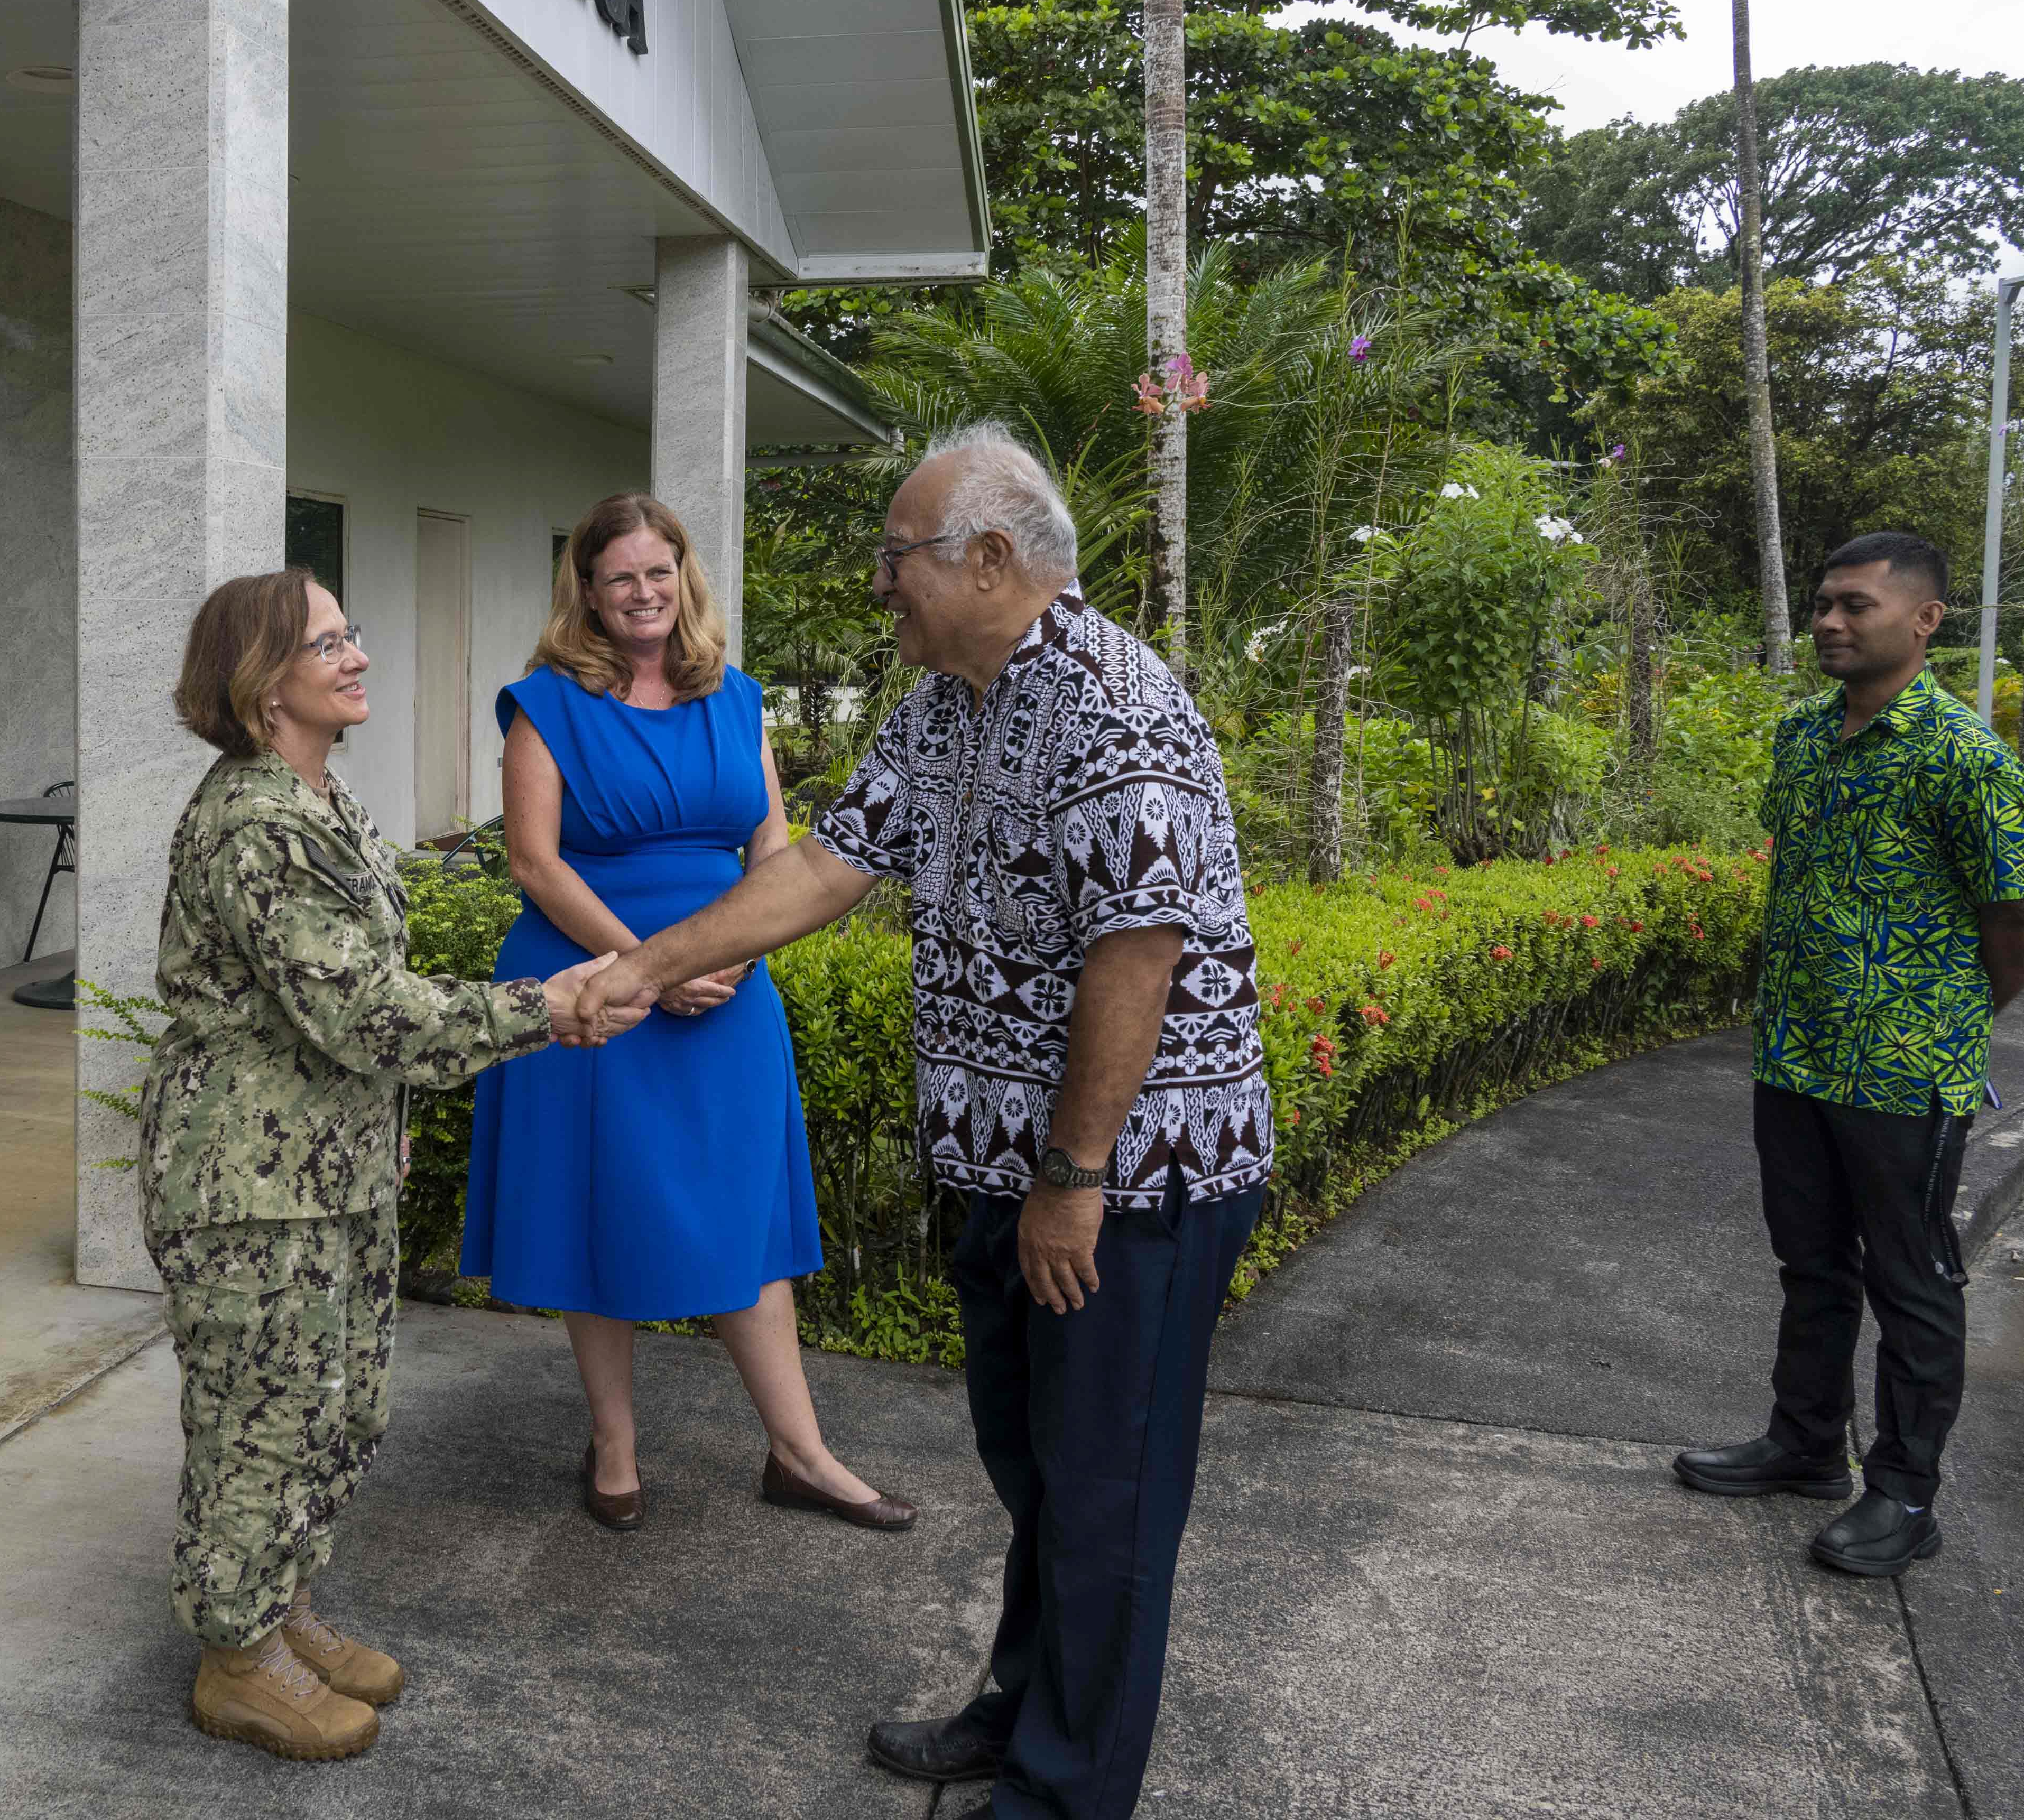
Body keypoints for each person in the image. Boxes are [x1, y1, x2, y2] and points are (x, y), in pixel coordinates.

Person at [559, 428, 1272, 1820]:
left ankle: (1070, 1790)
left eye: (900, 557)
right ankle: (1024, 1710)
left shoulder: (1111, 699)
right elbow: (830, 865)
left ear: (992, 560)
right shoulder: (950, 698)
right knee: (1037, 1469)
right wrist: (640, 967)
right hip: (1009, 1167)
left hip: (1128, 1184)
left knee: (1108, 1495)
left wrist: (1073, 1177)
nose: (882, 583)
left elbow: (1141, 948)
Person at [138, 567, 642, 1763]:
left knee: (333, 1405)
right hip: (249, 1187)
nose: (358, 653)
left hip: (326, 1165)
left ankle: (283, 1611)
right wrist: (548, 1005)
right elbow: (366, 1013)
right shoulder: (259, 822)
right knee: (262, 1421)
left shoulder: (317, 796)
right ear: (265, 681)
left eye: (352, 631)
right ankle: (235, 1656)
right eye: (329, 641)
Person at [465, 494, 909, 1533]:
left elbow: (775, 849)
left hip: (729, 995)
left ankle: (801, 1452)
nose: (642, 592)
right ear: (586, 591)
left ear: (684, 576)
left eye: (658, 571)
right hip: (590, 986)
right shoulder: (544, 703)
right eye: (619, 576)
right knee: (601, 1207)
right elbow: (533, 861)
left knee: (743, 1209)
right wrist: (644, 969)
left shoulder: (737, 696)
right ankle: (613, 1440)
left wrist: (740, 951)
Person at [1672, 532, 2024, 1579]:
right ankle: (1804, 1445)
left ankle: (1904, 1492)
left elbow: (2021, 921)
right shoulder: (1801, 738)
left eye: (1856, 606)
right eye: (1824, 604)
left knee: (1913, 1277)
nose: (1832, 623)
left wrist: (1948, 1021)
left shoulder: (1966, 757)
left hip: (1903, 1072)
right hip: (1794, 1055)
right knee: (1810, 1264)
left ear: (1926, 620)